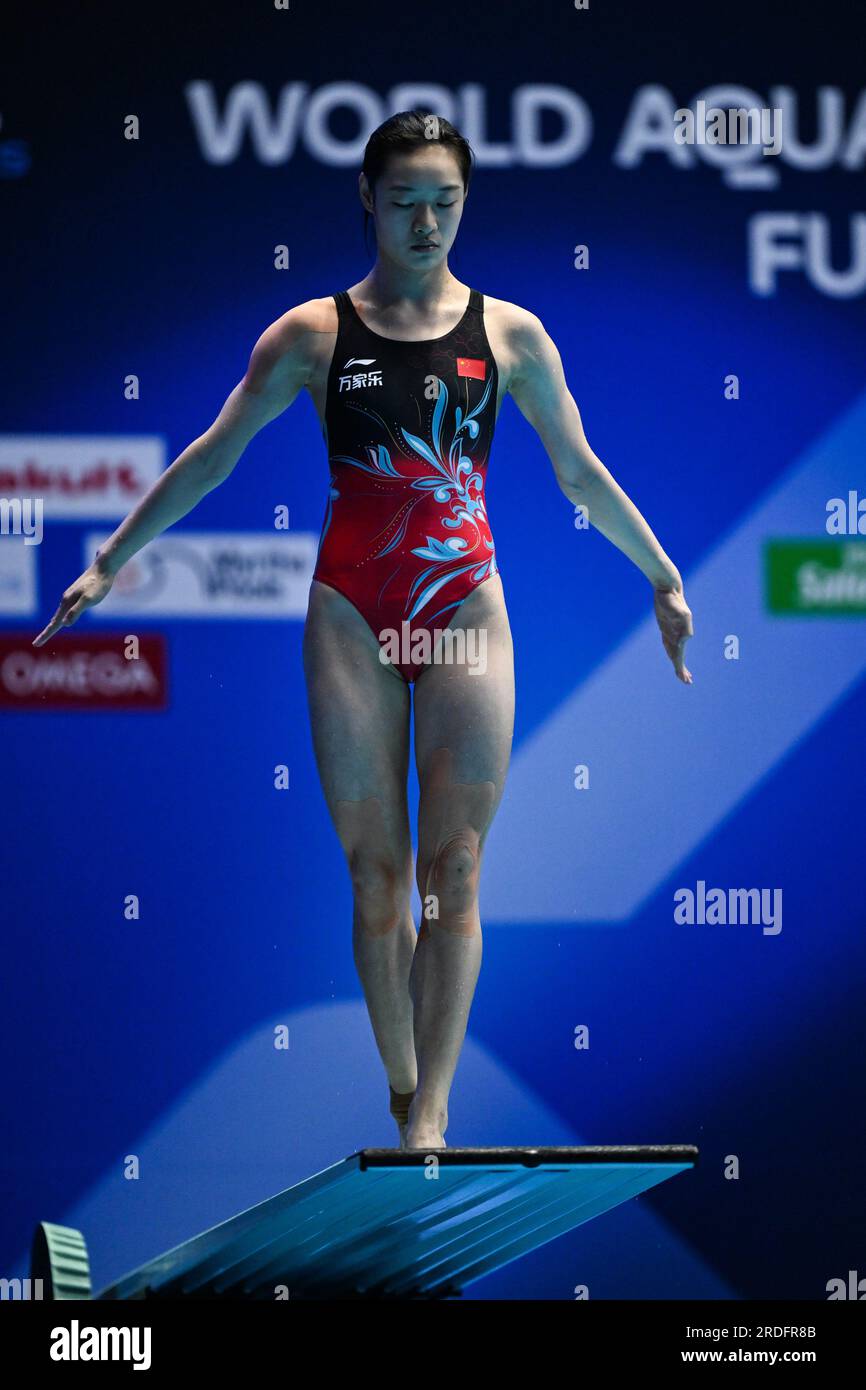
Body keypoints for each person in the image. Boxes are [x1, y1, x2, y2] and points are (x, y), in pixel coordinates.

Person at [33, 110, 693, 1151]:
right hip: (349, 608)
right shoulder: (308, 336)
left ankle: (430, 1111)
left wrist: (660, 574)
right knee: (378, 882)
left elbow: (577, 470)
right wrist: (113, 555)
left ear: (465, 203)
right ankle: (399, 1078)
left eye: (445, 202)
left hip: (464, 602)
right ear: (367, 202)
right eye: (405, 202)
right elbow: (212, 454)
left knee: (457, 869)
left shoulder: (512, 335)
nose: (426, 222)